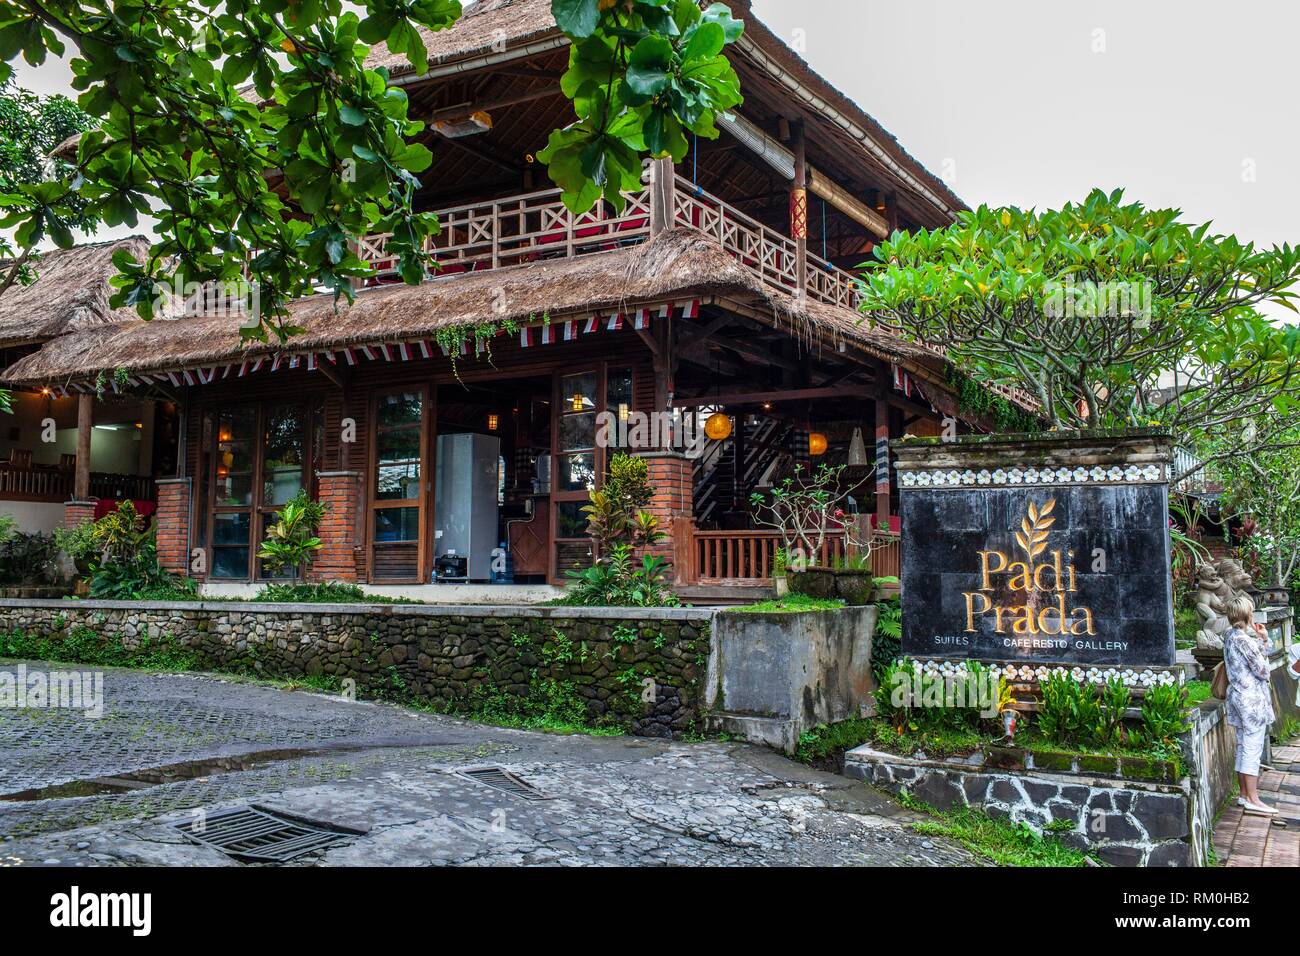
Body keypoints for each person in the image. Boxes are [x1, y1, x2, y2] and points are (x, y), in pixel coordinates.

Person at [1223, 596, 1276, 815]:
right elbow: (1263, 671)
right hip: (1251, 700)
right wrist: (1264, 641)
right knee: (1252, 748)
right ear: (1247, 614)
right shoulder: (1243, 640)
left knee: (1244, 746)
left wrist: (1261, 639)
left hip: (1237, 696)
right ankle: (1253, 798)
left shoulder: (1230, 636)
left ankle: (1245, 796)